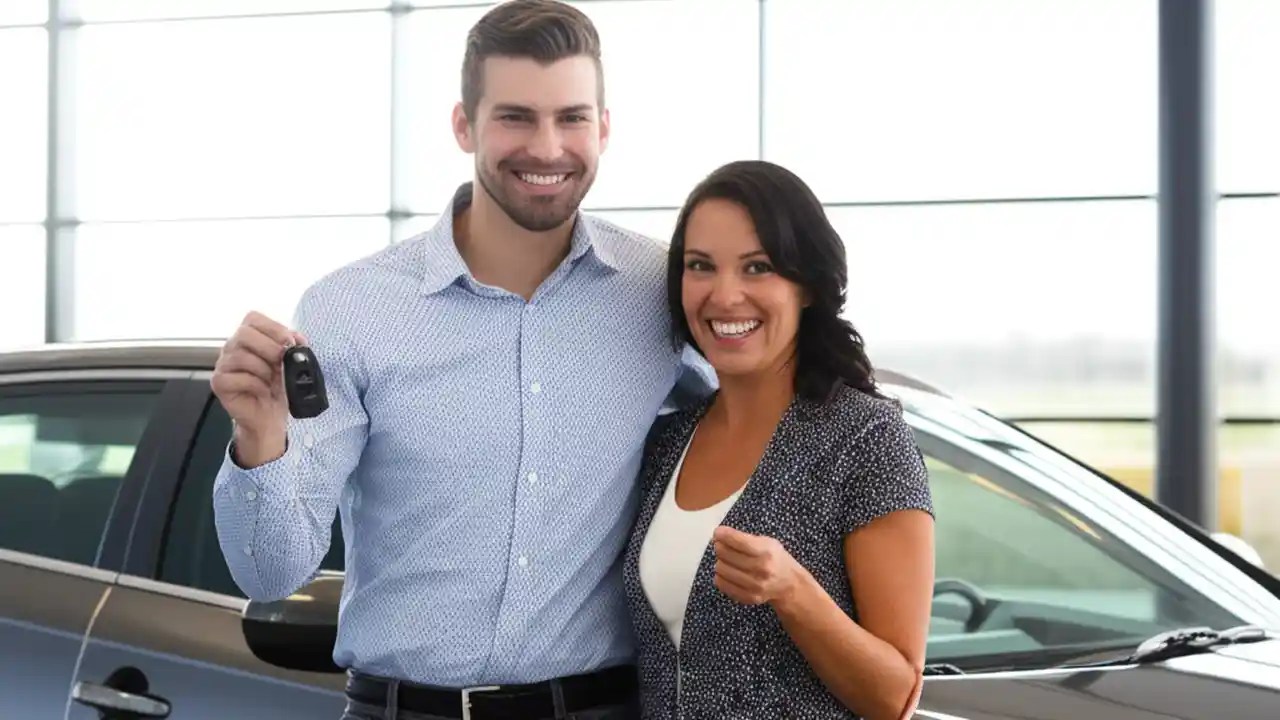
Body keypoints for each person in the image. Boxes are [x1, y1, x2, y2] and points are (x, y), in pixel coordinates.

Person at [209, 1, 712, 718]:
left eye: (571, 117)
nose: (547, 147)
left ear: (603, 128)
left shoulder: (658, 295)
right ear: (463, 125)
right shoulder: (351, 310)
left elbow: (762, 423)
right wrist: (261, 440)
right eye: (515, 117)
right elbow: (270, 571)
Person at [621, 160, 936, 719]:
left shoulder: (866, 440)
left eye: (757, 267)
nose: (725, 295)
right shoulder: (667, 441)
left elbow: (896, 696)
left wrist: (794, 591)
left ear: (807, 285)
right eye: (701, 266)